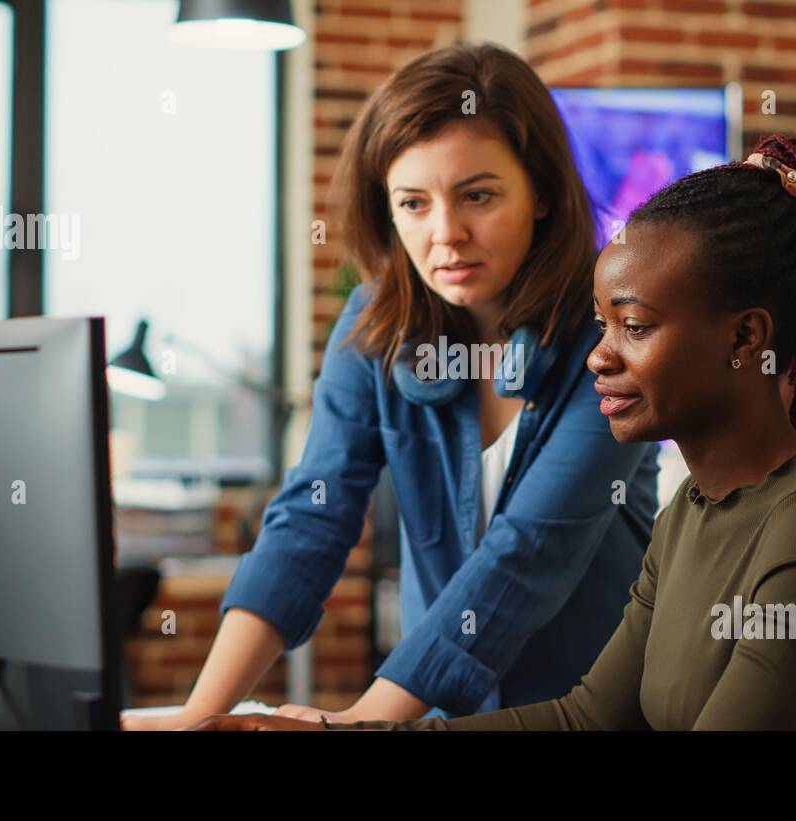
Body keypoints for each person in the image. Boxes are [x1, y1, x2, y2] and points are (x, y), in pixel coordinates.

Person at [190, 134, 796, 732]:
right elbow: (586, 717)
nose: (599, 356)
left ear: (744, 338)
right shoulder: (689, 514)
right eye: (602, 324)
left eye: (635, 326)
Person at [121, 43, 659, 730]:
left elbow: (528, 551)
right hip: (430, 717)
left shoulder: (614, 333)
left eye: (478, 195)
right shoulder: (375, 324)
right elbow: (310, 518)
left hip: (587, 715)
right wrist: (199, 717)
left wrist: (361, 722)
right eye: (414, 203)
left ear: (543, 194)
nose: (446, 234)